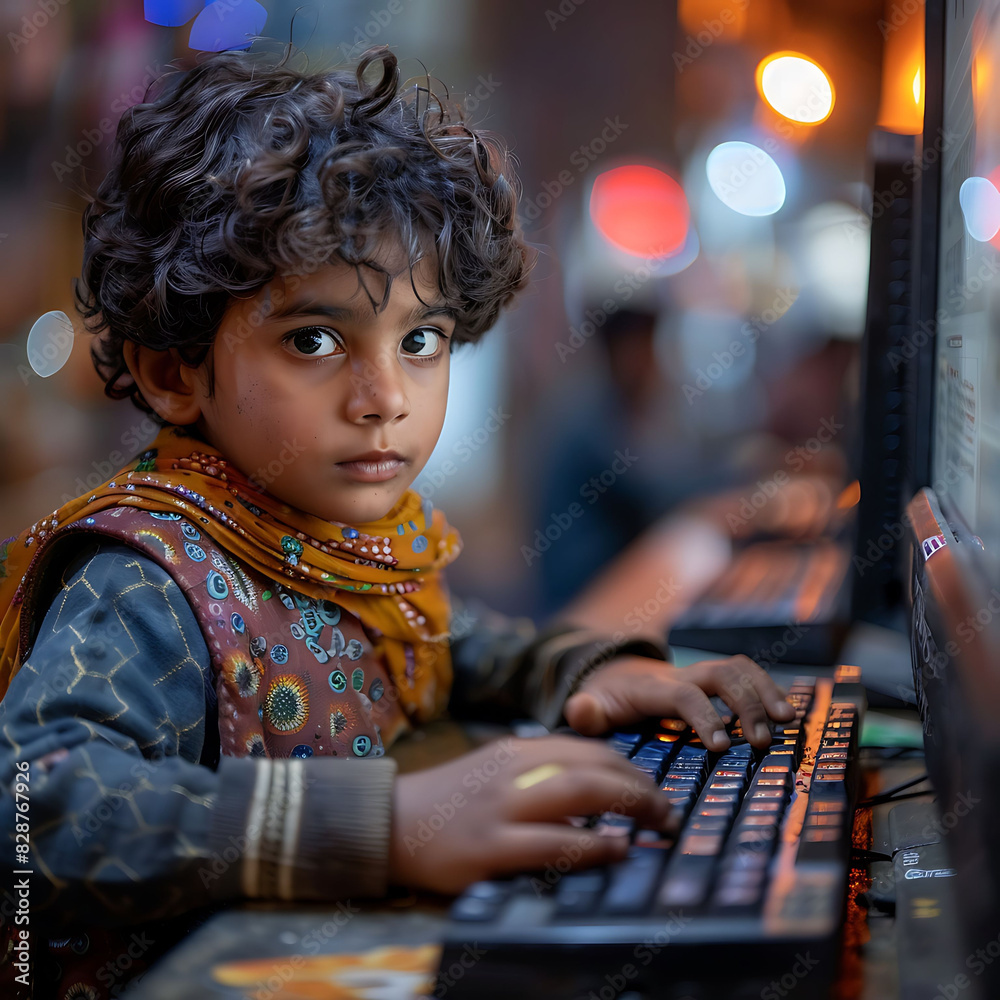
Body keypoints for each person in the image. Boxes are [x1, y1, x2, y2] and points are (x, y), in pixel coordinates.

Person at [0, 42, 794, 999]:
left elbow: (448, 642)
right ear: (175, 371)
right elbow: (37, 802)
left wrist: (589, 670)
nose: (384, 397)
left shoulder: (348, 544)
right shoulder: (147, 578)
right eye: (316, 340)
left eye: (421, 340)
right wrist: (386, 824)